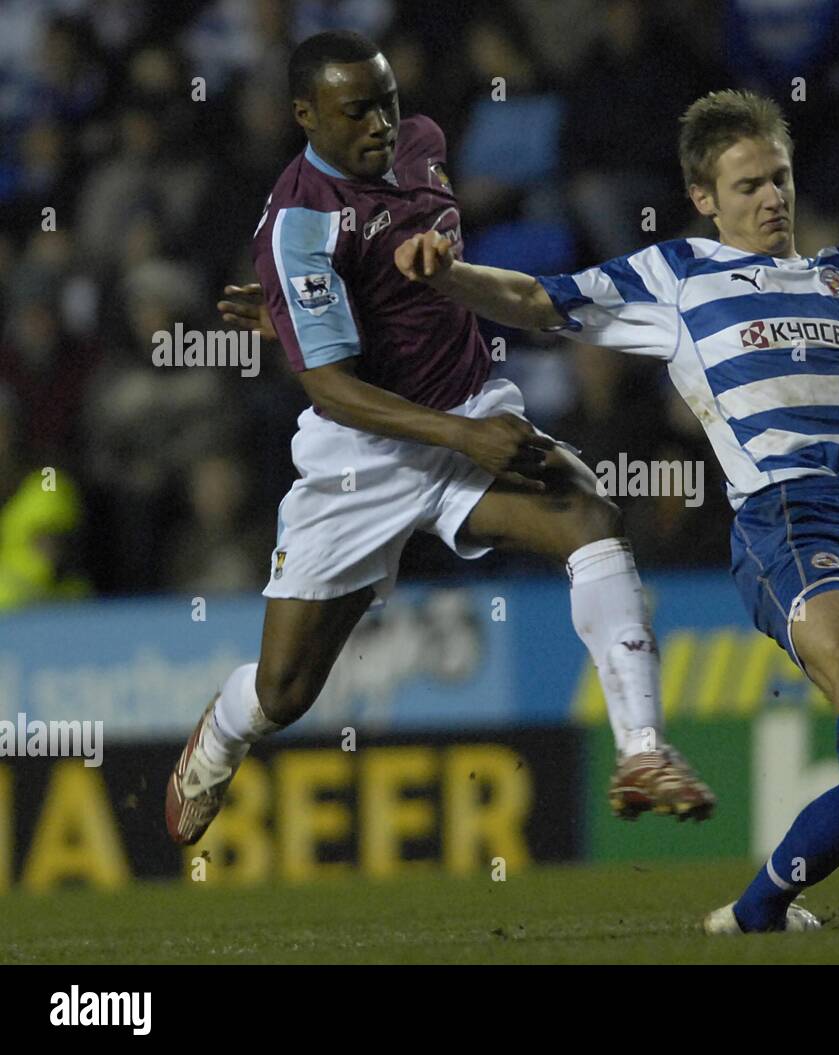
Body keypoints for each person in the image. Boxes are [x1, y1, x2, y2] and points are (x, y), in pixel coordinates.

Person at [394, 89, 839, 929]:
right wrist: (451, 278)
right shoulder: (675, 278)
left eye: (780, 178)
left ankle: (758, 910)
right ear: (703, 199)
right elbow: (542, 299)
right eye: (749, 186)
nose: (772, 199)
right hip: (788, 519)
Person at [166, 30, 716, 849]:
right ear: (304, 115)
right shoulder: (298, 227)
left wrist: (333, 322)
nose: (381, 124)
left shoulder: (424, 141)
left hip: (468, 405)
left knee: (589, 518)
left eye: (385, 101)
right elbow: (332, 387)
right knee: (286, 690)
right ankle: (221, 734)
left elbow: (400, 288)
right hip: (360, 457)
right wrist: (308, 328)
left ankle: (643, 751)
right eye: (355, 111)